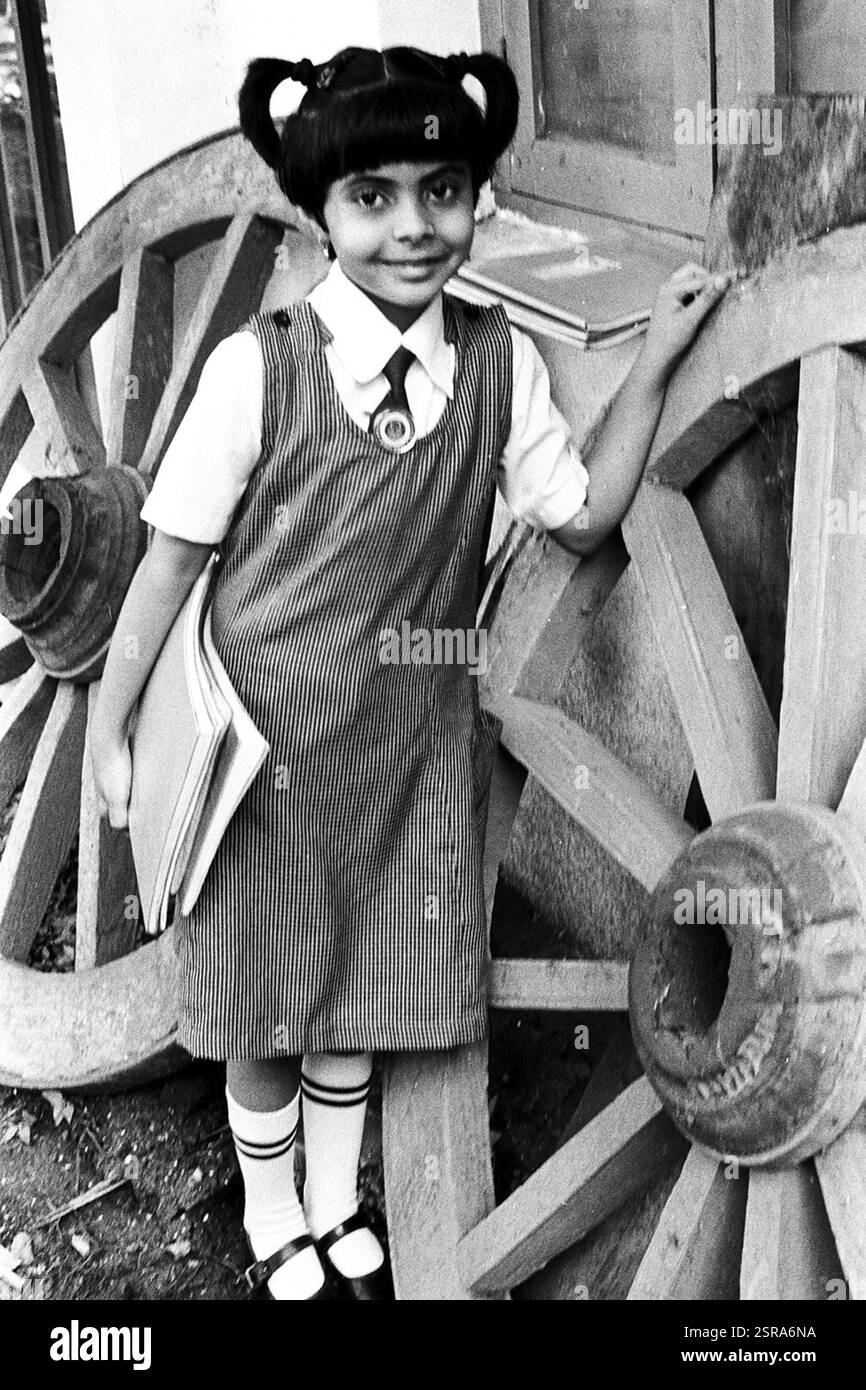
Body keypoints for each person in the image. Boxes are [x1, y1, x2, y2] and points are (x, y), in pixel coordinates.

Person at [91, 44, 731, 1302]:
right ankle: (273, 1214)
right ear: (318, 211)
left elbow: (586, 512)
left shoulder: (497, 368)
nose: (412, 228)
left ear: (475, 198)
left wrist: (653, 361)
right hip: (265, 757)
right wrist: (113, 727)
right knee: (272, 1001)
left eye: (442, 190)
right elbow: (165, 570)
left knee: (371, 985)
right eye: (372, 198)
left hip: (406, 748)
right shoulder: (255, 372)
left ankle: (335, 1202)